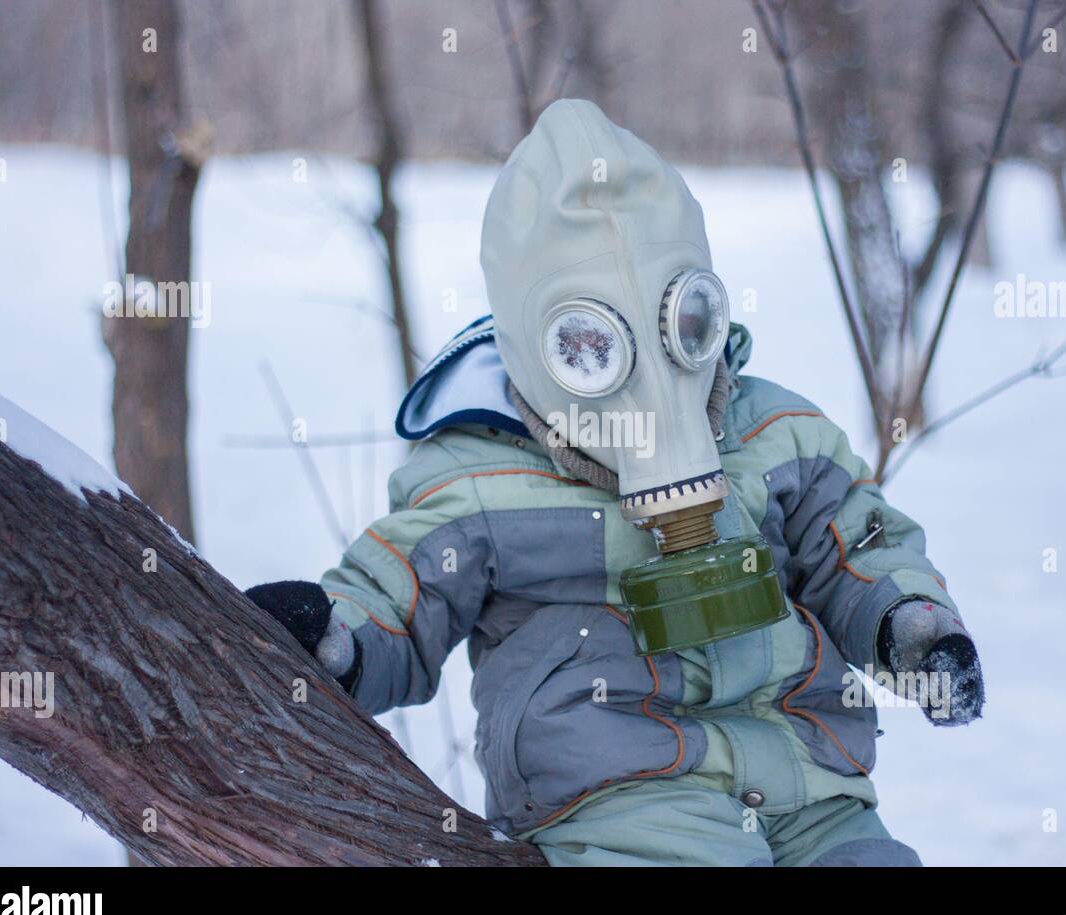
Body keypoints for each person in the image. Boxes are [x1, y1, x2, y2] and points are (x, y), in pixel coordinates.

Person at [247, 99, 983, 867]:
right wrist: (333, 636)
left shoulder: (776, 433)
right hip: (617, 795)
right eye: (592, 349)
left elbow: (858, 543)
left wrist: (914, 628)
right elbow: (401, 597)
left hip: (812, 783)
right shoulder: (480, 480)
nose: (656, 382)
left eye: (684, 326)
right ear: (535, 347)